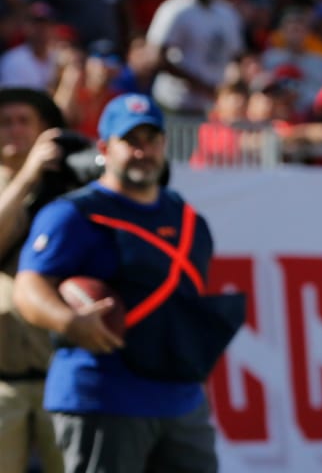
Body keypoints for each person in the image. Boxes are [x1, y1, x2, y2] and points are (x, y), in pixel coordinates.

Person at [12, 93, 245, 473]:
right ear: (104, 147)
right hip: (104, 393)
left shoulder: (187, 220)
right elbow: (29, 286)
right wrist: (70, 323)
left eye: (151, 139)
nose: (143, 151)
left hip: (180, 400)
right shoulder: (74, 214)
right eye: (130, 141)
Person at [0, 88, 66, 473]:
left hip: (55, 372)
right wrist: (26, 176)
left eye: (25, 121)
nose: (14, 131)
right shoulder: (21, 180)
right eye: (5, 122)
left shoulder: (65, 187)